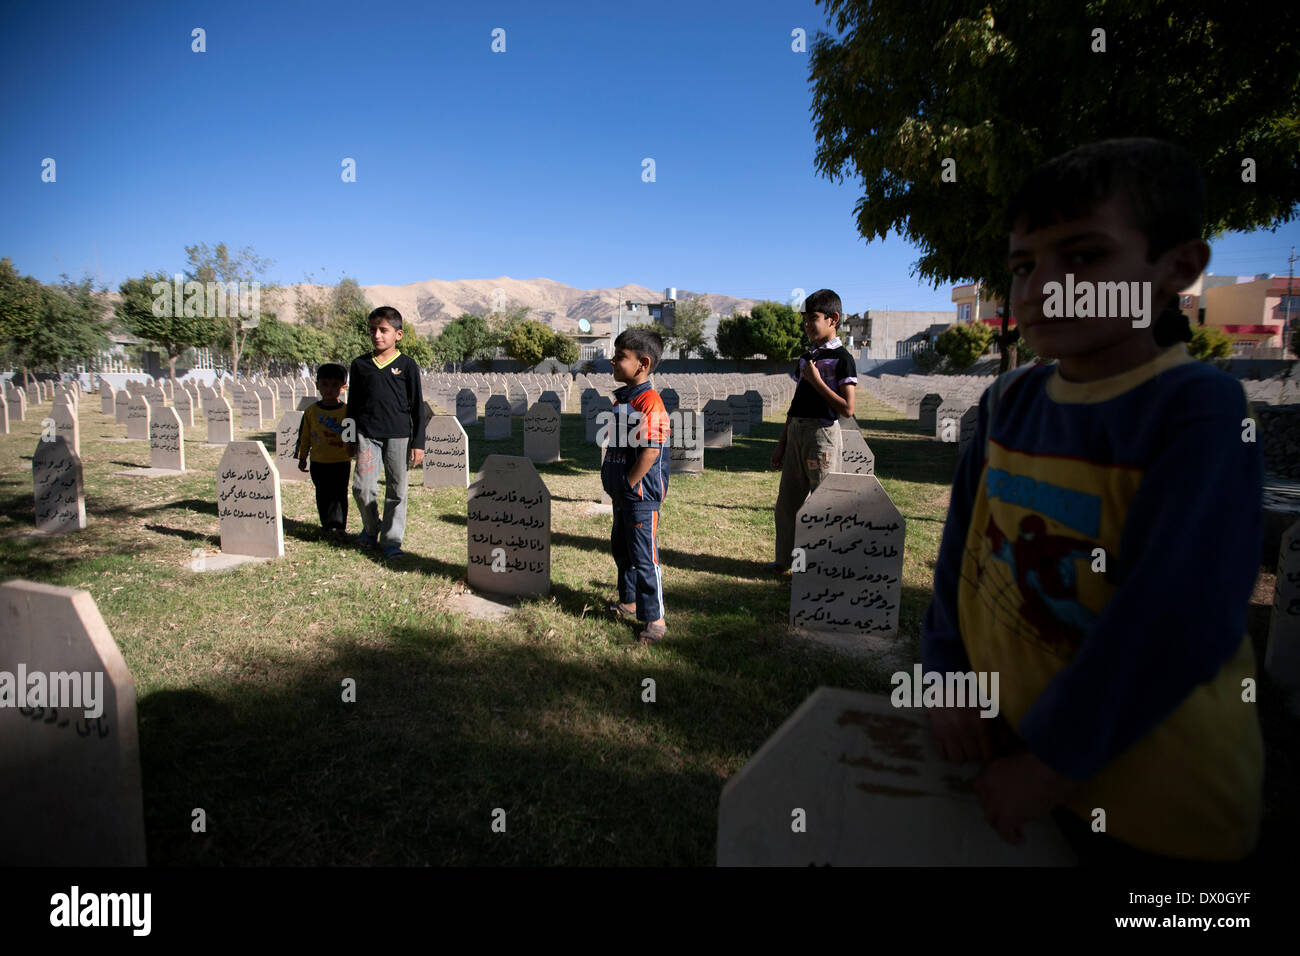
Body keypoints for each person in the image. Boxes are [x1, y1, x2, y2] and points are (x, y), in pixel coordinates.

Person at [921, 138, 1263, 863]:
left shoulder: (1194, 411)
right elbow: (962, 552)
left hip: (1154, 810)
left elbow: (1178, 623)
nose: (1039, 287)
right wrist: (945, 671)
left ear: (1178, 268)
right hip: (1008, 759)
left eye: (1082, 257)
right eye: (1023, 265)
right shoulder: (1008, 401)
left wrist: (1051, 764)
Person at [768, 289, 857, 572]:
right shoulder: (806, 358)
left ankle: (819, 565)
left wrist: (817, 381)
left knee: (822, 502)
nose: (807, 324)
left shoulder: (843, 359)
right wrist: (782, 444)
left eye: (813, 318)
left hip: (822, 435)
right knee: (787, 504)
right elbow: (795, 404)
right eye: (804, 319)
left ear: (833, 319)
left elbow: (847, 408)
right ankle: (786, 561)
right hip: (797, 431)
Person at [601, 329, 671, 644]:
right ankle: (629, 601)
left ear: (642, 363)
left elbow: (651, 450)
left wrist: (629, 483)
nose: (612, 361)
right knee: (623, 549)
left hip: (640, 495)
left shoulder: (649, 402)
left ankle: (655, 619)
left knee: (644, 555)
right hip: (622, 494)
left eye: (620, 357)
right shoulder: (624, 399)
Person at [346, 306, 425, 561]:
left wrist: (418, 442)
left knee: (397, 490)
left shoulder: (407, 365)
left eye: (383, 330)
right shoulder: (359, 365)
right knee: (362, 488)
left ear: (398, 334)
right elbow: (352, 403)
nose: (377, 335)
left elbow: (417, 407)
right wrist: (349, 437)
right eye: (373, 330)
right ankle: (371, 528)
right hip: (366, 436)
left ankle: (391, 540)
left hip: (399, 436)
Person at [296, 363, 353, 540]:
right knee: (322, 494)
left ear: (343, 388)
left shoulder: (347, 411)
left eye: (335, 385)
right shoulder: (311, 412)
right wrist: (302, 457)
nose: (329, 389)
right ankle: (326, 524)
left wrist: (353, 452)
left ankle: (340, 526)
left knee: (340, 494)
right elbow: (304, 436)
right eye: (325, 384)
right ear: (318, 385)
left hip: (341, 461)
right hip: (319, 462)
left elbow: (351, 437)